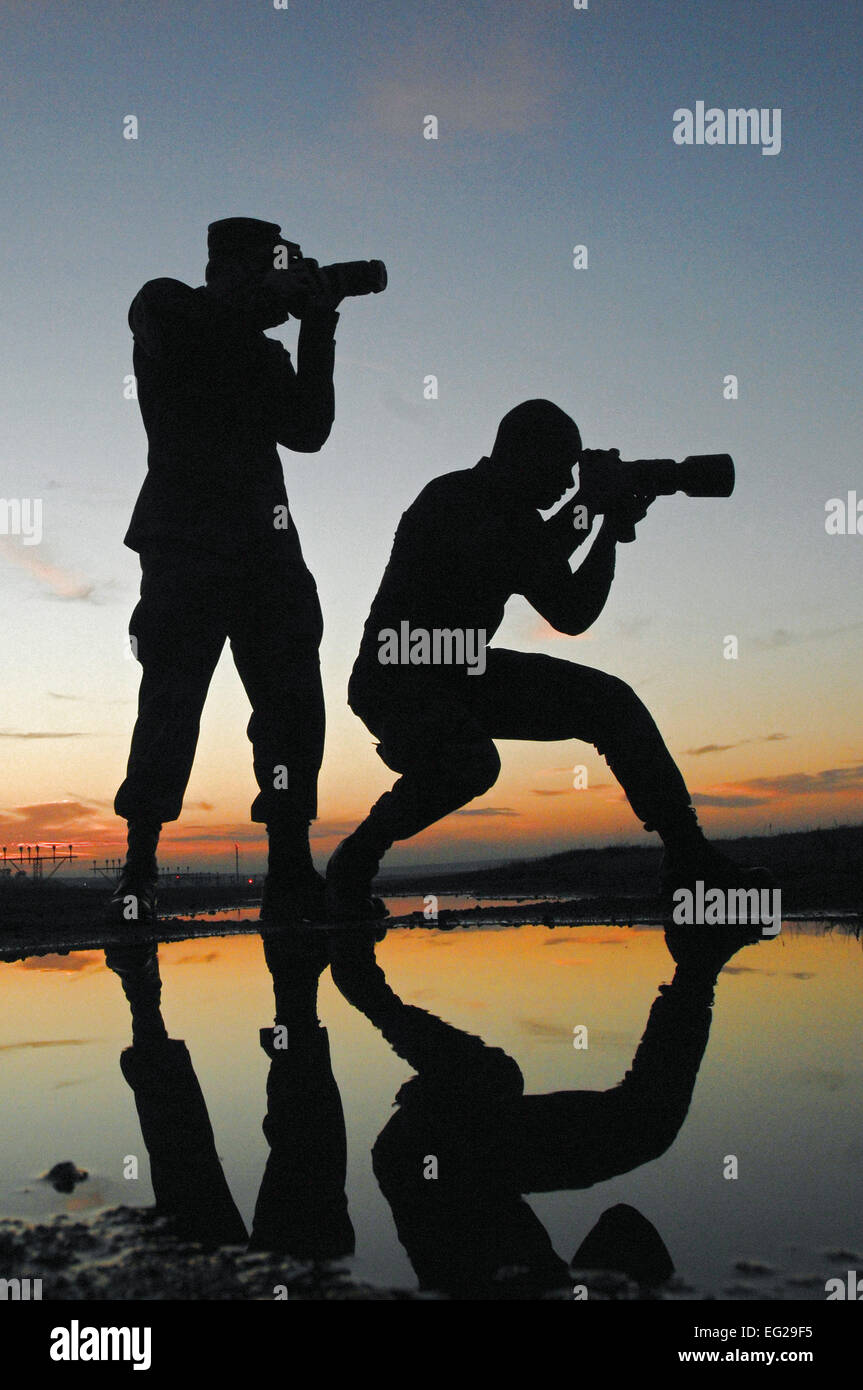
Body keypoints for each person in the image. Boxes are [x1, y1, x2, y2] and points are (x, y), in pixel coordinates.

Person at [327, 398, 768, 918]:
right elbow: (554, 588)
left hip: (459, 670)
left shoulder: (507, 512)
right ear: (523, 456)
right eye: (560, 467)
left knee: (610, 702)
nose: (565, 481)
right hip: (398, 678)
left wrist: (603, 517)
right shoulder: (457, 500)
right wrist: (598, 512)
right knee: (471, 762)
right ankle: (353, 863)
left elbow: (556, 582)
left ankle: (689, 857)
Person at [111, 217, 341, 925]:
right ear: (232, 268)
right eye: (275, 266)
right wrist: (272, 297)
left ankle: (289, 864)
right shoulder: (166, 305)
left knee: (290, 703)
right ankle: (140, 864)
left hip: (266, 549)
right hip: (186, 543)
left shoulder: (263, 353)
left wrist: (318, 326)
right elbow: (184, 330)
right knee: (171, 705)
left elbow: (307, 431)